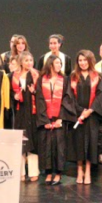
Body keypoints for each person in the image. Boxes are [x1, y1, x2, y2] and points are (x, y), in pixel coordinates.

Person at [64, 50, 102, 185]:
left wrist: (90, 110)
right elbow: (69, 96)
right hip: (77, 115)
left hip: (92, 116)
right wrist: (80, 111)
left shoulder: (97, 76)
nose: (83, 63)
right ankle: (79, 170)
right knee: (78, 143)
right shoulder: (72, 76)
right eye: (80, 60)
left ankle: (88, 171)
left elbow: (100, 95)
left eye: (85, 60)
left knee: (90, 143)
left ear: (90, 61)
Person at [9, 50, 40, 182]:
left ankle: (33, 171)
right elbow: (9, 92)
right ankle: (20, 171)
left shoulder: (36, 75)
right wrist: (14, 96)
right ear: (21, 62)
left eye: (31, 60)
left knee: (32, 138)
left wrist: (35, 92)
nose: (29, 63)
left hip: (33, 111)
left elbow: (42, 93)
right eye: (26, 60)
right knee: (20, 139)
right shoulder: (13, 75)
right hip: (20, 110)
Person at [37, 53, 66, 185]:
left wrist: (61, 118)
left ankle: (58, 174)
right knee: (46, 146)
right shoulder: (41, 79)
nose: (59, 65)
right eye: (57, 63)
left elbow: (67, 99)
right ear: (50, 65)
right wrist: (45, 121)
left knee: (59, 146)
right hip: (46, 119)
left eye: (60, 63)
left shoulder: (65, 79)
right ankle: (48, 173)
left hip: (59, 119)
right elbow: (39, 100)